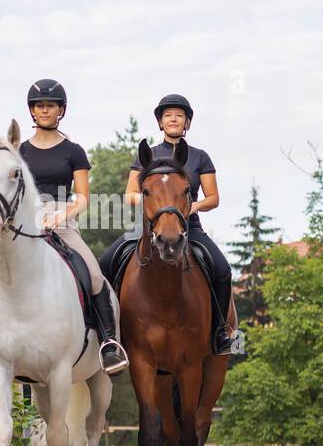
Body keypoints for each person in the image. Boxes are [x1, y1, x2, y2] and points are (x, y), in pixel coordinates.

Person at [0, 78, 129, 379]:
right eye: (40, 106)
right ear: (32, 111)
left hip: (61, 220)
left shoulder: (74, 151)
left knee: (94, 276)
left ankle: (108, 343)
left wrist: (62, 214)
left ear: (60, 111)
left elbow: (82, 196)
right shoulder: (19, 151)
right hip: (24, 222)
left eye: (51, 106)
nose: (45, 110)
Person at [97, 94, 238, 355]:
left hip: (189, 226)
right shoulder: (147, 155)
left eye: (179, 115)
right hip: (148, 226)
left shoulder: (199, 157)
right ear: (160, 122)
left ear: (187, 122)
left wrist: (189, 208)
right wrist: (158, 208)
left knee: (222, 268)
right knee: (104, 264)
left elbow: (213, 198)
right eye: (168, 115)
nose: (173, 119)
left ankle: (222, 333)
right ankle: (109, 334)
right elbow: (130, 194)